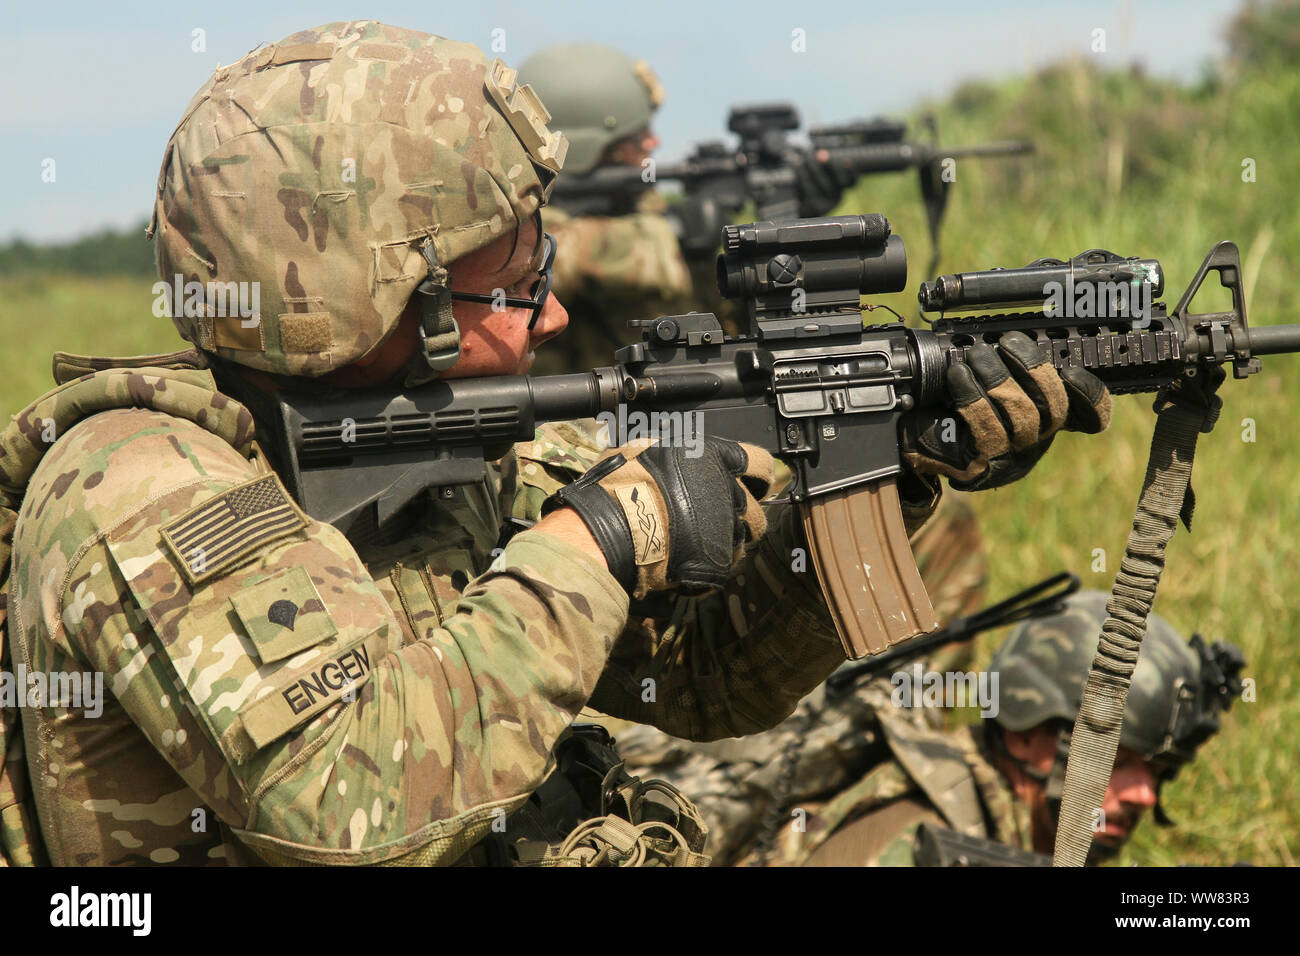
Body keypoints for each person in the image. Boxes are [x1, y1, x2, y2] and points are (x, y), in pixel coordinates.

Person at [0, 20, 1109, 867]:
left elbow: (705, 682)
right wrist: (604, 537)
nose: (553, 311)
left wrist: (896, 459)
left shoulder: (456, 463)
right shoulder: (138, 487)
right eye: (515, 279)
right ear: (392, 290)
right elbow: (353, 806)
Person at [627, 590, 1239, 866]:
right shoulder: (913, 837)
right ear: (1028, 734)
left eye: (1158, 774)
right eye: (1121, 760)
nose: (1143, 795)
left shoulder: (999, 827)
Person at [517, 44, 699, 376]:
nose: (653, 143)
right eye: (636, 135)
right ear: (584, 147)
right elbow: (565, 255)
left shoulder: (636, 206)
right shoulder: (517, 226)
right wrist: (675, 233)